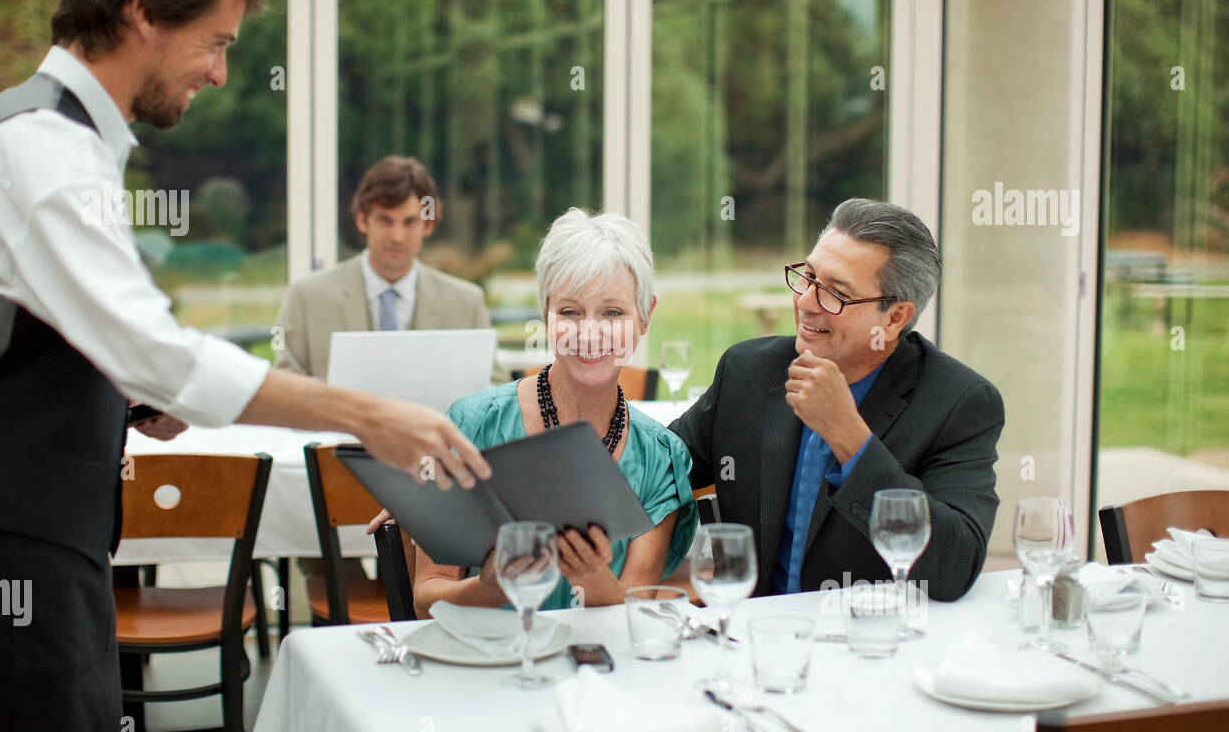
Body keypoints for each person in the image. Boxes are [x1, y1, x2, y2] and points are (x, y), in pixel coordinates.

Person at [0, 0, 487, 732]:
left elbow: (60, 341)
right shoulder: (40, 152)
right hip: (8, 555)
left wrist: (123, 395)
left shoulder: (50, 139)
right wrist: (369, 415)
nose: (224, 74)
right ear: (144, 12)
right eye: (214, 42)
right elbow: (159, 349)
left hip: (35, 544)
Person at [670, 199, 1004, 603]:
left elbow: (955, 567)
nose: (807, 302)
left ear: (895, 318)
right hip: (755, 635)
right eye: (808, 276)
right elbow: (661, 473)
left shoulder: (959, 403)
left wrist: (848, 436)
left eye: (835, 292)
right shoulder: (749, 372)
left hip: (871, 646)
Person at [371, 209, 698, 615]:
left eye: (613, 312)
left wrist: (592, 576)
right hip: (490, 664)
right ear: (545, 313)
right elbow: (427, 599)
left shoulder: (660, 459)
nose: (589, 333)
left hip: (597, 669)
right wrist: (490, 589)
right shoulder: (472, 425)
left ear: (645, 314)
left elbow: (636, 614)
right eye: (570, 312)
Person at [272, 156, 497, 379]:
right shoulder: (306, 297)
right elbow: (284, 387)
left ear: (428, 225)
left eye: (409, 222)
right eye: (385, 221)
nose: (397, 237)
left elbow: (493, 387)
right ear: (362, 221)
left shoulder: (467, 304)